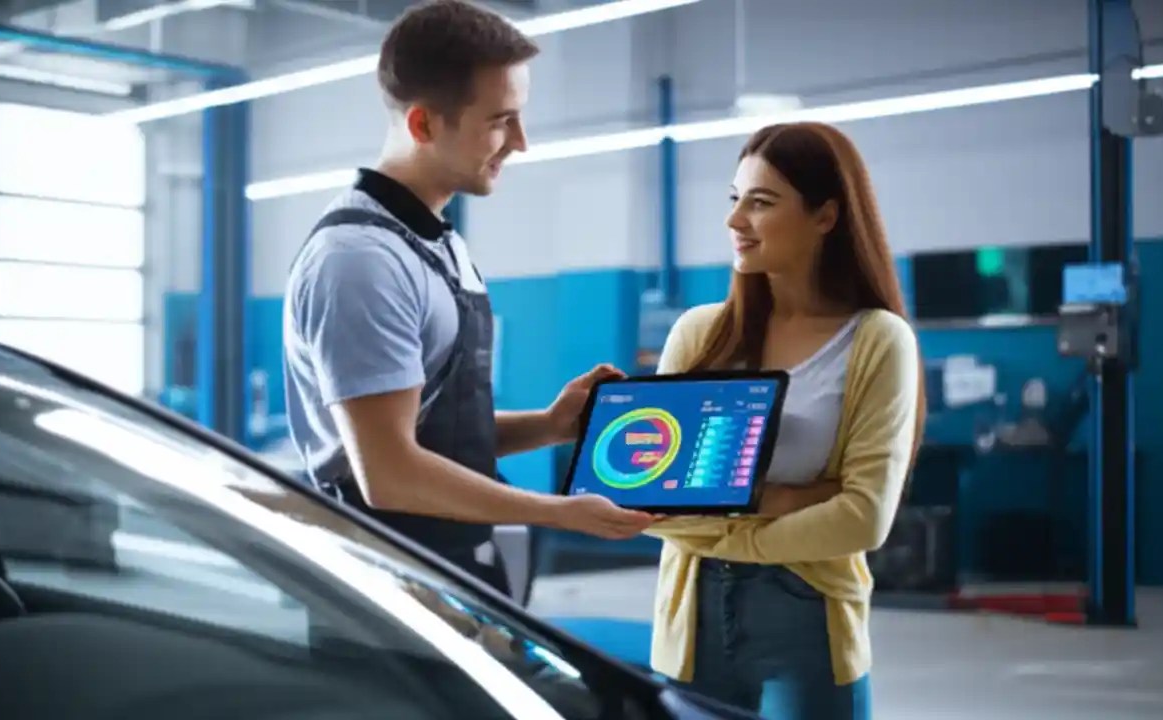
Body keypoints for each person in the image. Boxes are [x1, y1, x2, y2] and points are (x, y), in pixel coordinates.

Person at [281, 0, 653, 595]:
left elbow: (435, 434)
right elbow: (390, 472)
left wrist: (550, 426)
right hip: (390, 588)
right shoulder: (360, 261)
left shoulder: (437, 242)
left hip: (456, 568)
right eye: (501, 120)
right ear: (424, 125)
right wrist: (558, 511)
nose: (521, 143)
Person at [644, 121, 926, 720]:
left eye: (762, 202)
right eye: (734, 199)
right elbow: (647, 504)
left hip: (808, 618)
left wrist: (726, 515)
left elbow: (864, 517)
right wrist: (793, 498)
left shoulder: (877, 341)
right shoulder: (700, 335)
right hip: (691, 619)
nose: (735, 221)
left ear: (826, 216)